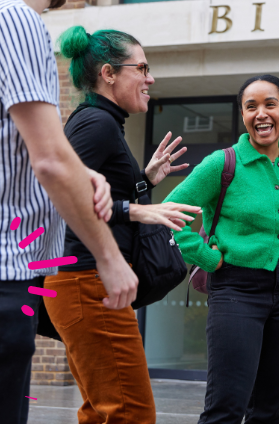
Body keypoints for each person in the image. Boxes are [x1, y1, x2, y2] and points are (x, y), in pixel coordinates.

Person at [0, 0, 138, 423]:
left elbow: (37, 148)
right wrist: (109, 259)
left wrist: (84, 172)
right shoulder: (18, 20)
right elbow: (49, 161)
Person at [44, 26, 201, 423]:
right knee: (130, 413)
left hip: (86, 282)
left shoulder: (101, 122)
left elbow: (93, 190)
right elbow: (61, 192)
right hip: (87, 281)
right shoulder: (96, 123)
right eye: (142, 68)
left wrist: (144, 181)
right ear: (109, 74)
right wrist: (136, 210)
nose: (150, 79)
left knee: (103, 412)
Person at [166, 74, 279, 424]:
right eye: (250, 106)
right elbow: (171, 211)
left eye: (270, 104)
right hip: (236, 290)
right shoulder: (221, 164)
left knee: (269, 411)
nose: (261, 114)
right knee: (226, 408)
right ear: (242, 115)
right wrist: (206, 258)